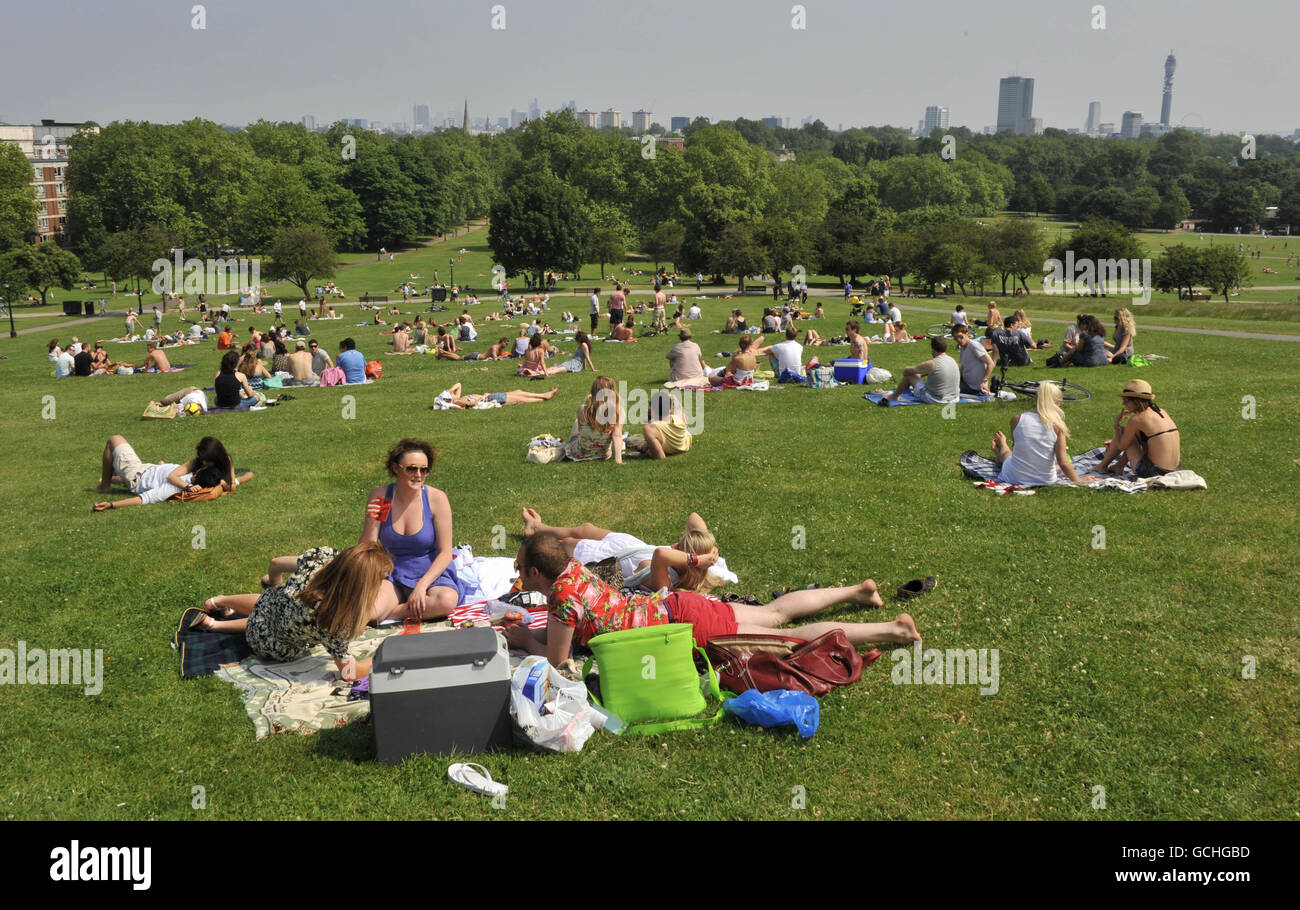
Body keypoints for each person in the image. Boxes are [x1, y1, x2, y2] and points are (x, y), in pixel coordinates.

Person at [503, 532, 921, 662]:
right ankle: (857, 591)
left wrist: (525, 641)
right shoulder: (574, 569)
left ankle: (892, 629)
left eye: (521, 570)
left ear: (537, 573)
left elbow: (559, 663)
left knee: (795, 642)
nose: (518, 576)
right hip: (676, 604)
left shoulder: (561, 597)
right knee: (772, 612)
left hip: (685, 628)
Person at [193, 544, 393, 682]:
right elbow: (349, 672)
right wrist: (382, 659)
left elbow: (275, 563)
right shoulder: (334, 619)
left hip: (272, 610)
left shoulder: (322, 559)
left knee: (272, 602)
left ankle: (217, 603)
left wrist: (274, 585)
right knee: (280, 622)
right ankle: (214, 624)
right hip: (270, 645)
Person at [360, 439, 467, 620]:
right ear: (395, 468)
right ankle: (399, 611)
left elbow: (445, 553)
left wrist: (421, 586)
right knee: (370, 610)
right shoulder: (382, 497)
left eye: (424, 470)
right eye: (411, 469)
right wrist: (372, 521)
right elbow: (366, 549)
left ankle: (393, 613)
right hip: (393, 572)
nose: (418, 475)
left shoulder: (436, 499)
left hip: (431, 573)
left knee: (446, 601)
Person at [521, 510, 720, 592]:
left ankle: (536, 541)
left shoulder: (666, 581)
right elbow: (694, 516)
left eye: (678, 547)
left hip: (608, 560)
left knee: (567, 544)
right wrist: (710, 553)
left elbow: (660, 554)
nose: (673, 546)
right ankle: (538, 528)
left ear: (688, 562)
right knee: (585, 528)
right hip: (630, 546)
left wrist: (695, 559)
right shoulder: (682, 560)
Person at [94, 435, 251, 511]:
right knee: (162, 466)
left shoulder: (177, 487)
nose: (201, 462)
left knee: (114, 440)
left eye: (205, 461)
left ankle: (106, 486)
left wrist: (111, 504)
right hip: (153, 470)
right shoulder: (206, 468)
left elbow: (144, 499)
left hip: (139, 475)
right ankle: (114, 478)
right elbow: (239, 480)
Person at [990, 383, 1086, 486]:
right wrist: (1078, 480)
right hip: (1045, 480)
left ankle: (1002, 446)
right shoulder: (1058, 426)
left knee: (1009, 456)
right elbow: (1063, 462)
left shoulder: (1017, 419)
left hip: (1015, 478)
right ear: (1057, 403)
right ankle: (1002, 447)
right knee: (1011, 457)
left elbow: (1017, 449)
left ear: (1036, 399)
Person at [1096, 380, 1181, 478]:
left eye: (1126, 400)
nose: (1124, 404)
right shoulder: (1161, 411)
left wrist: (1117, 427)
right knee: (1133, 435)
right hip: (1175, 469)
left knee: (1124, 432)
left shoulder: (1137, 419)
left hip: (1153, 472)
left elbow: (1122, 446)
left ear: (1137, 400)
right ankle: (1119, 466)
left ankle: (1102, 466)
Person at [878, 337, 960, 405]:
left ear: (933, 349)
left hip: (935, 399)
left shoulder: (932, 363)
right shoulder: (952, 360)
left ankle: (894, 396)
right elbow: (937, 372)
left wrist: (914, 376)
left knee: (909, 376)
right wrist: (919, 376)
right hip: (954, 398)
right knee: (917, 376)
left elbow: (907, 371)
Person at [565, 376, 625, 463]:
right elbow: (617, 436)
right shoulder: (618, 412)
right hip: (604, 455)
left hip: (580, 454)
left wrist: (589, 401)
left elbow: (580, 429)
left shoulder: (583, 409)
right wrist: (618, 460)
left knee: (577, 422)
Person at [628, 391, 694, 459]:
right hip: (684, 446)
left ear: (652, 410)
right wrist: (668, 398)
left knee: (634, 440)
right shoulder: (679, 416)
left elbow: (660, 456)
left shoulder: (650, 428)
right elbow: (675, 400)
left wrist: (649, 452)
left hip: (668, 448)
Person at [432, 381, 559, 409]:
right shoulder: (458, 402)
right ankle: (544, 397)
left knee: (519, 392)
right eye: (450, 394)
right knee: (520, 399)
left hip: (491, 396)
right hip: (491, 398)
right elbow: (472, 403)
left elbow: (459, 384)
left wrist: (450, 389)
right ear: (449, 400)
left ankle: (544, 394)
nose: (453, 393)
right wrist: (483, 397)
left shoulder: (458, 398)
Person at [953, 324, 993, 396]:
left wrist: (984, 382)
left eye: (961, 337)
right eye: (956, 338)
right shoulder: (963, 347)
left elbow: (990, 363)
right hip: (966, 383)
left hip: (973, 388)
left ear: (967, 334)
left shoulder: (974, 345)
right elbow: (963, 367)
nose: (958, 340)